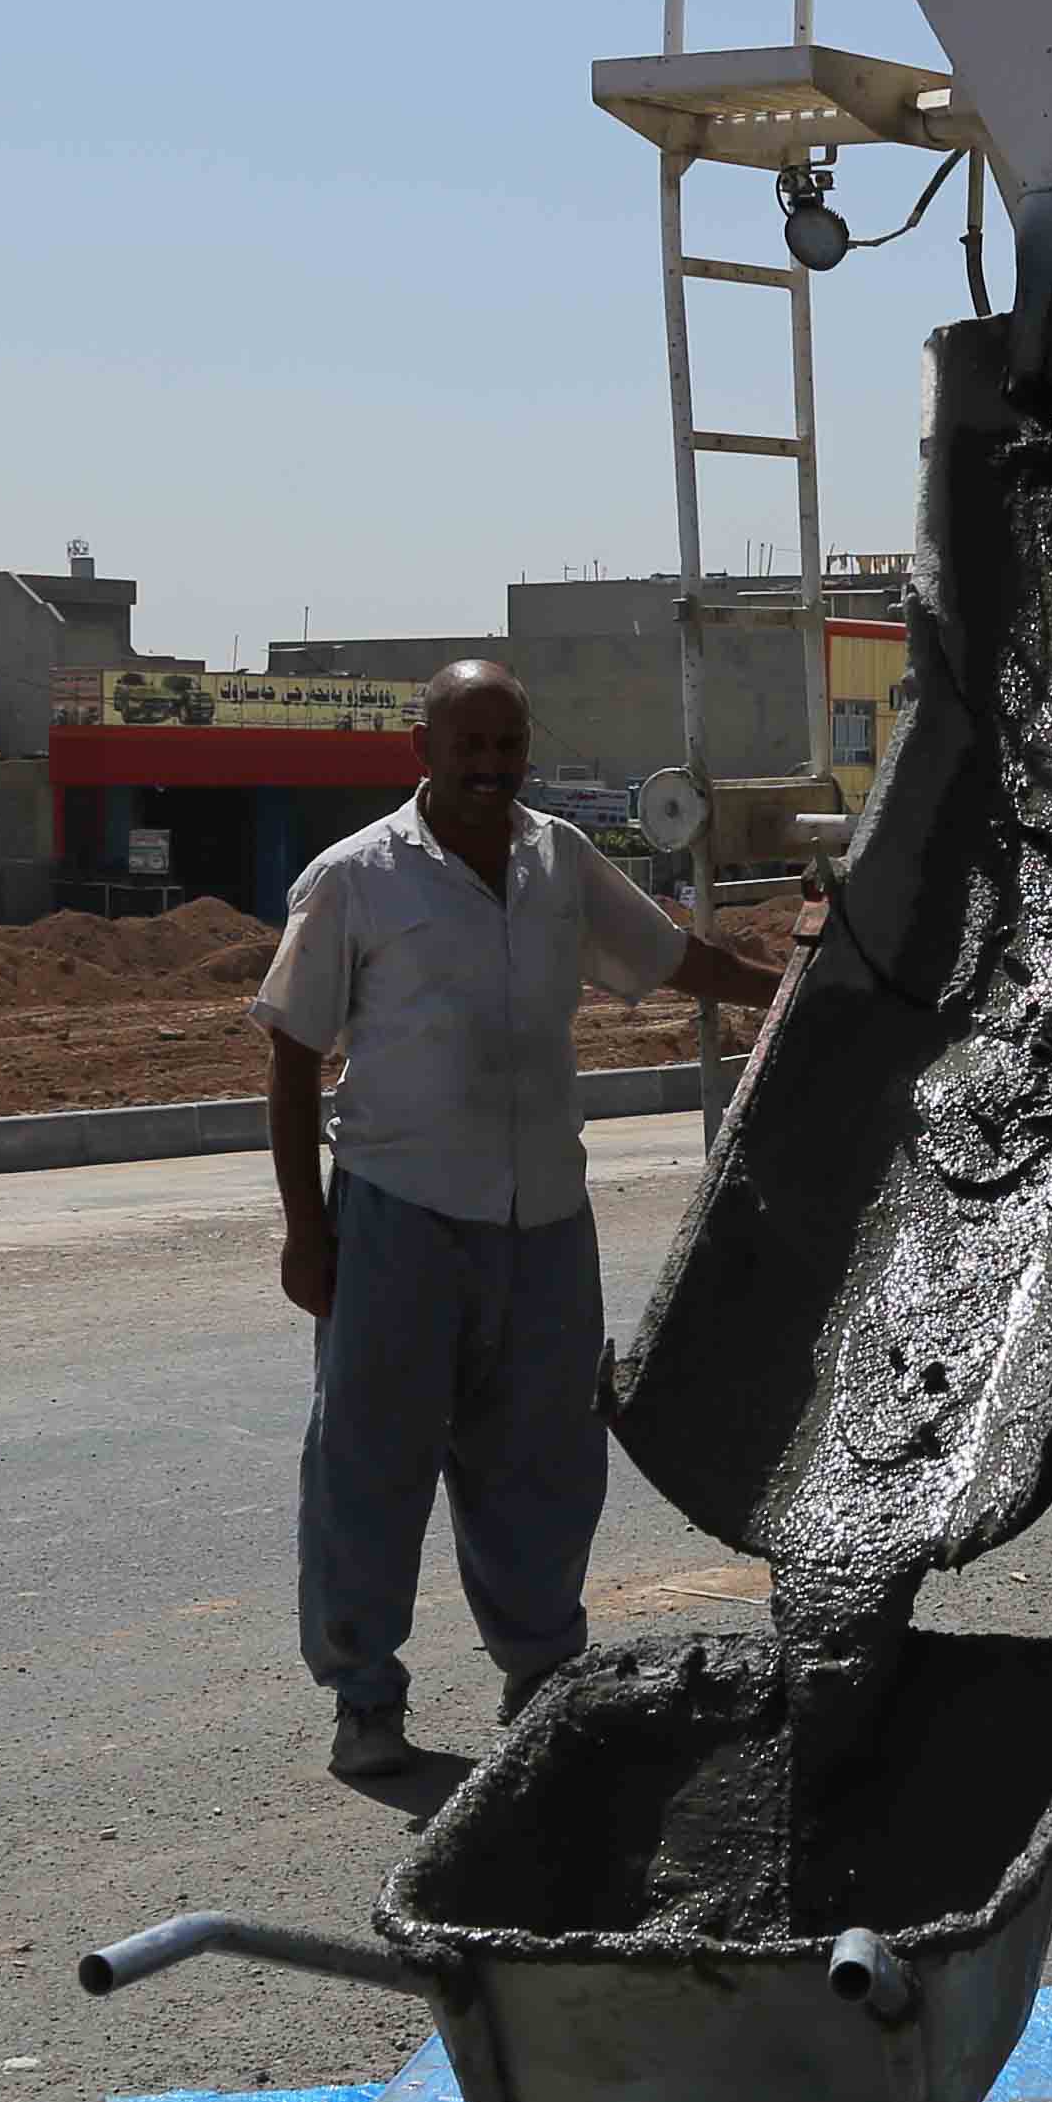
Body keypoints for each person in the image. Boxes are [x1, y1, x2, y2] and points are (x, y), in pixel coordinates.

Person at [256, 662, 786, 1784]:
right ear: (425, 751)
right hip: (401, 1218)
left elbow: (671, 956)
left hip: (544, 1220)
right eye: (470, 749)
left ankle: (542, 1681)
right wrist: (307, 1231)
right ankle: (366, 1698)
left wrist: (788, 993)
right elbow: (293, 1057)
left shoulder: (560, 861)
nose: (491, 770)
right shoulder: (355, 880)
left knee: (543, 1464)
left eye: (508, 749)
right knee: (372, 1462)